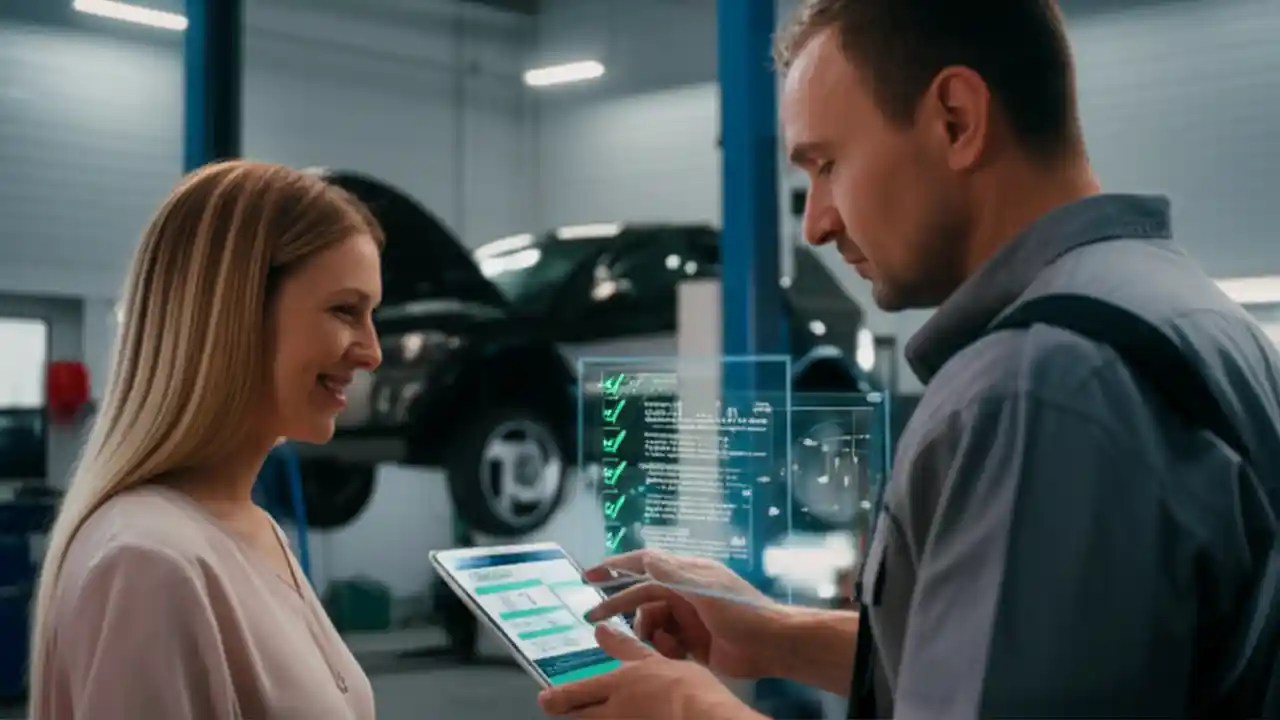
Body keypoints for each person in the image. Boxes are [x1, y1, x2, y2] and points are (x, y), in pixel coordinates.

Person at [537, 0, 1280, 718]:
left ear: (956, 119)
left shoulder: (1032, 387)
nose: (819, 223)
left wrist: (690, 713)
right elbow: (1050, 660)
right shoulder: (1184, 314)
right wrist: (775, 635)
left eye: (826, 165)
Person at [29, 160, 385, 719]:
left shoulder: (250, 529)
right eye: (346, 310)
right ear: (235, 311)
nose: (372, 351)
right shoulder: (149, 563)